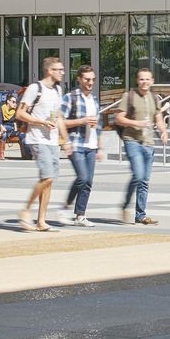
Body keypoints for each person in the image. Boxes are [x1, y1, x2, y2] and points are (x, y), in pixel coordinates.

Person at [111, 67, 170, 225]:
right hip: (132, 140)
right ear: (137, 81)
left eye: (147, 79)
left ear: (152, 81)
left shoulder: (154, 98)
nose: (144, 82)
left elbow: (158, 118)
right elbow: (118, 118)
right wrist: (135, 123)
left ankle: (140, 215)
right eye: (141, 79)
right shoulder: (129, 96)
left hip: (148, 143)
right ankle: (125, 206)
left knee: (144, 180)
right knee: (138, 175)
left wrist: (163, 131)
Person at [15, 55, 67, 231]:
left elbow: (58, 116)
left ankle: (41, 221)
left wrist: (65, 140)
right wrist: (41, 122)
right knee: (47, 176)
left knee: (49, 181)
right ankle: (26, 210)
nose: (62, 72)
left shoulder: (58, 90)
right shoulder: (35, 88)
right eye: (59, 69)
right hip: (36, 138)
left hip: (52, 140)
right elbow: (20, 114)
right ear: (49, 70)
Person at [61, 65, 103, 227]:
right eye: (87, 79)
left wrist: (99, 147)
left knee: (88, 182)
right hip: (75, 143)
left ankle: (80, 215)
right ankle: (65, 207)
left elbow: (97, 126)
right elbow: (61, 121)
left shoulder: (94, 100)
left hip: (90, 145)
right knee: (82, 177)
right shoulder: (70, 97)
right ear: (79, 79)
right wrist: (81, 121)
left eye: (92, 79)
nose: (90, 82)